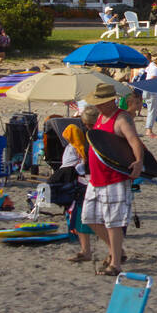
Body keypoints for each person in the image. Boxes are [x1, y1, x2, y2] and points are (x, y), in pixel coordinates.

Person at [82, 83, 145, 276]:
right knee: (89, 218)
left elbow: (135, 141)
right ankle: (117, 251)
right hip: (96, 177)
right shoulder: (101, 116)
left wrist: (139, 161)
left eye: (101, 102)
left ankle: (115, 263)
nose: (98, 106)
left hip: (114, 177)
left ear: (111, 100)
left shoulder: (121, 118)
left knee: (113, 222)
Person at [60, 105, 97, 263]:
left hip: (95, 179)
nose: (87, 127)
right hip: (86, 179)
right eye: (86, 124)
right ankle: (85, 250)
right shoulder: (86, 137)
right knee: (82, 216)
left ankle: (115, 251)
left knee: (95, 218)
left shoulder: (95, 136)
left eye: (89, 124)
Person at [140, 55, 157, 136]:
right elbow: (152, 78)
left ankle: (148, 128)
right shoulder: (156, 69)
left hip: (146, 91)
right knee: (152, 111)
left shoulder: (150, 66)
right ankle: (149, 130)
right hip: (152, 91)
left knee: (150, 110)